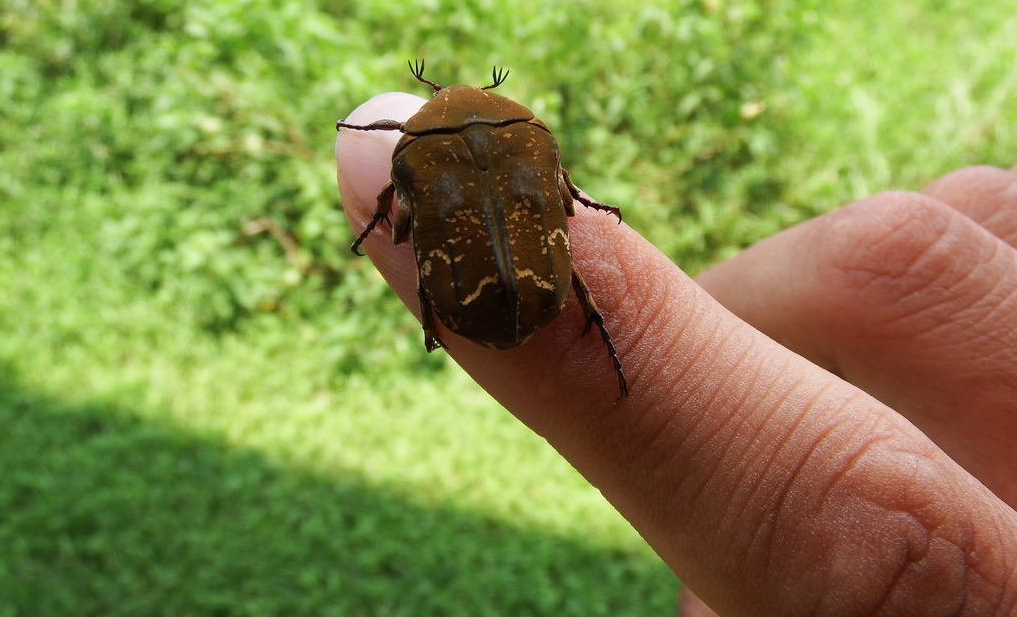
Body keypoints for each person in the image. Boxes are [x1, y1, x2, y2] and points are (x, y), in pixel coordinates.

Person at [337, 91, 1017, 616]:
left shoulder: (416, 154)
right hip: (538, 292)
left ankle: (453, 319)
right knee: (558, 269)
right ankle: (580, 326)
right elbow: (556, 197)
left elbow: (404, 218)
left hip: (467, 298)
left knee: (424, 256)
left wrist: (377, 220)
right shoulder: (526, 141)